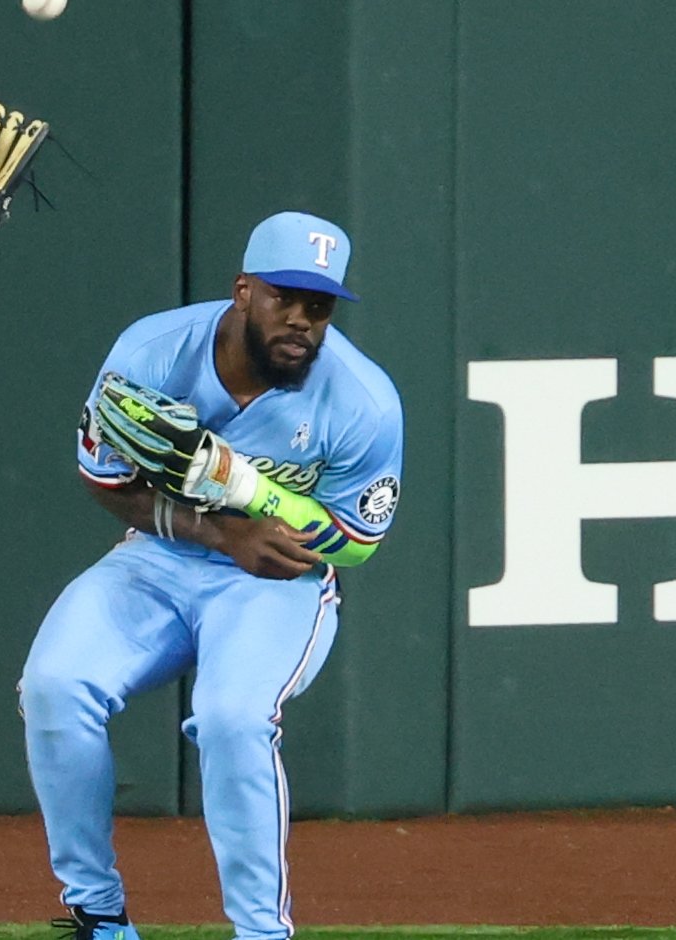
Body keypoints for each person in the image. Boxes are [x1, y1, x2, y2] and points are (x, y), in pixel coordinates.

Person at [20, 211, 404, 940]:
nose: (300, 319)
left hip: (277, 582)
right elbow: (101, 476)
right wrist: (222, 530)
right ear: (242, 290)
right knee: (55, 686)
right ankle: (98, 915)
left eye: (317, 306)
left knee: (233, 721)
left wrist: (247, 490)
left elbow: (356, 542)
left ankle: (261, 933)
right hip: (164, 554)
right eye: (282, 296)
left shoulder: (363, 400)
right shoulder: (155, 350)